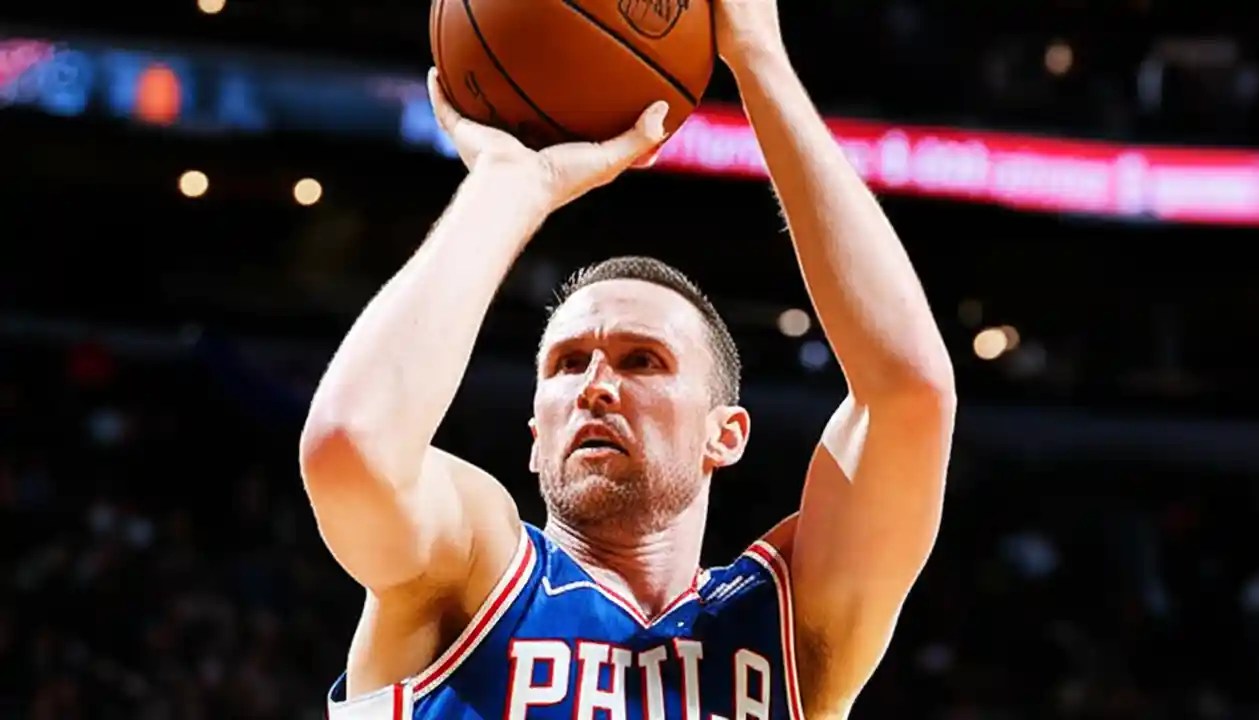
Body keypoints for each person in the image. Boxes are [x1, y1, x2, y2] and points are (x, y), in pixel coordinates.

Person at [299, 0, 957, 716]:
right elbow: (350, 445)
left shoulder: (786, 629)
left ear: (725, 433)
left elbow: (911, 394)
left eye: (642, 361)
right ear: (534, 436)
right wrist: (510, 184)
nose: (595, 386)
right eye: (567, 363)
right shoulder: (472, 579)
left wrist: (760, 61)